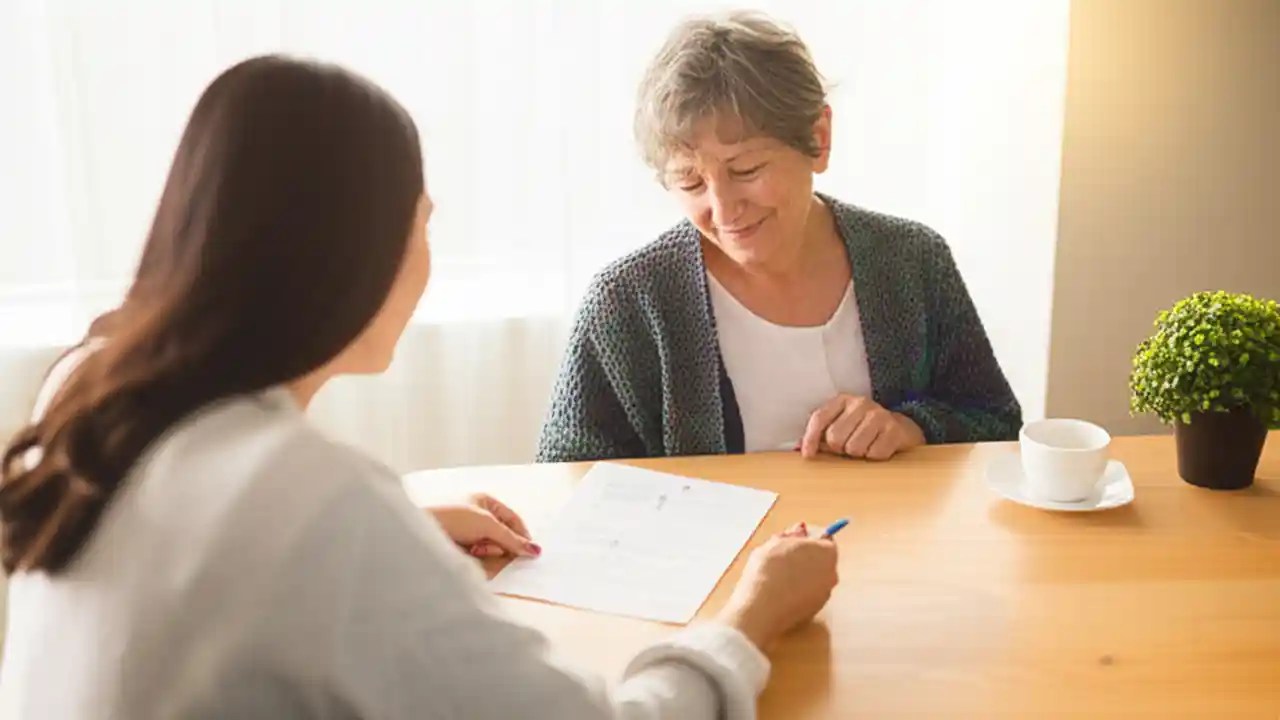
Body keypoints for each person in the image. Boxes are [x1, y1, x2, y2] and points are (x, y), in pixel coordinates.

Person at [0, 56, 838, 719]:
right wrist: (752, 615)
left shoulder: (90, 388)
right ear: (353, 254)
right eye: (422, 225)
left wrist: (392, 533)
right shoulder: (310, 498)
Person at [538, 11, 1021, 464]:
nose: (724, 209)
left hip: (890, 546)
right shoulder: (627, 301)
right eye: (690, 182)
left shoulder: (913, 259)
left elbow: (997, 421)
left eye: (746, 169)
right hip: (719, 555)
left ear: (819, 138)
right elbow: (564, 474)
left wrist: (911, 426)